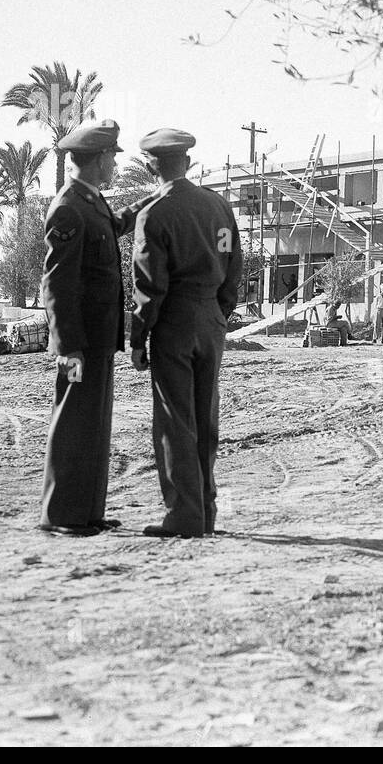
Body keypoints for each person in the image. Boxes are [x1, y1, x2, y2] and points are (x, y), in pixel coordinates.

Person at [39, 120, 152, 537]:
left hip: (99, 341)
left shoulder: (91, 202)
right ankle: (62, 515)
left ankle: (86, 512)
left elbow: (114, 225)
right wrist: (69, 346)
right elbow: (57, 283)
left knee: (94, 424)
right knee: (72, 423)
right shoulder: (68, 207)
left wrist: (149, 202)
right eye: (111, 157)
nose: (115, 164)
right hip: (79, 344)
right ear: (98, 158)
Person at [130, 129, 243, 538]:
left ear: (149, 166)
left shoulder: (154, 214)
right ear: (189, 164)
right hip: (211, 320)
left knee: (176, 421)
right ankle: (206, 513)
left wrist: (138, 336)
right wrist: (220, 311)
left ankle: (184, 514)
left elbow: (148, 285)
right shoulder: (218, 206)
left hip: (173, 322)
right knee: (205, 416)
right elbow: (234, 263)